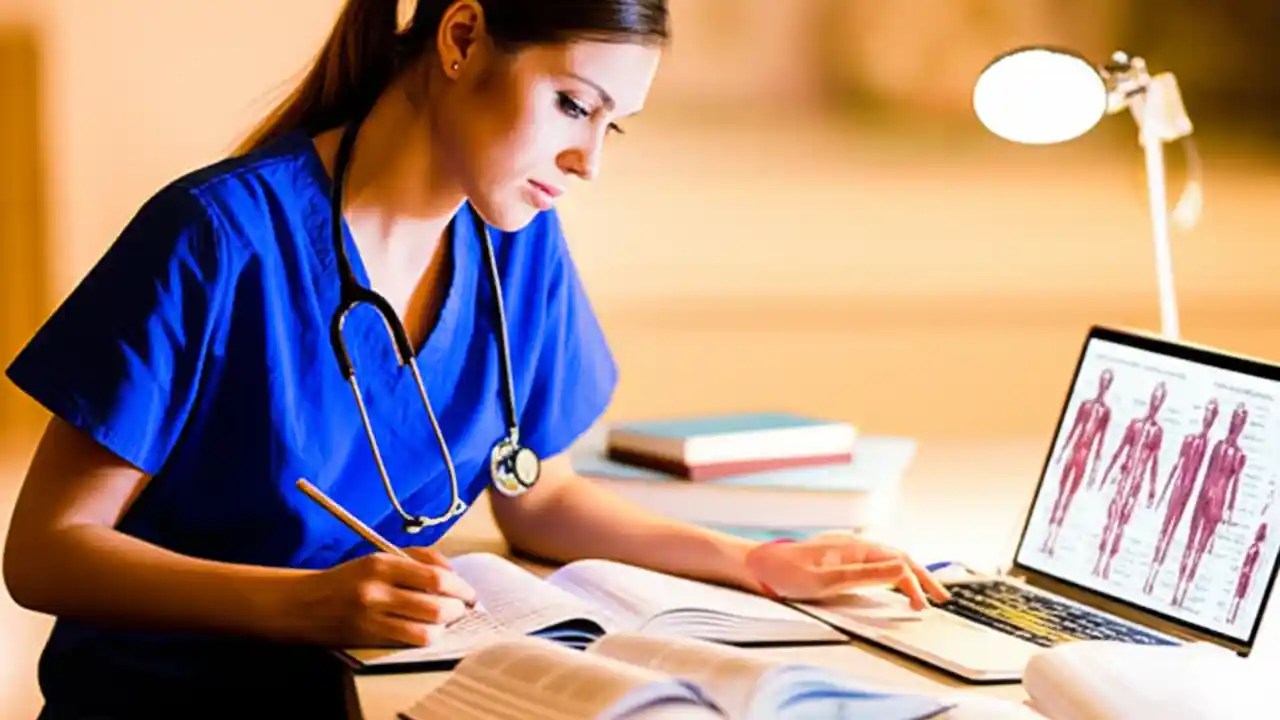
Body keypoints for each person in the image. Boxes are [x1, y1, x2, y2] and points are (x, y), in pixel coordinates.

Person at [1, 1, 949, 717]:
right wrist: (305, 607)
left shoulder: (516, 243)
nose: (588, 162)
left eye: (610, 124)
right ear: (460, 39)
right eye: (572, 104)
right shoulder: (218, 238)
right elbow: (45, 554)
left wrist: (755, 563)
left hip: (385, 695)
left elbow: (537, 496)